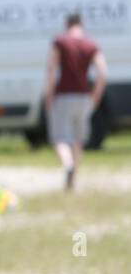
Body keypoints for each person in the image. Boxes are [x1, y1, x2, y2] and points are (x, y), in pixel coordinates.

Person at [44, 13, 107, 191]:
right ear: (81, 25)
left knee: (60, 138)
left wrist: (49, 94)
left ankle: (68, 165)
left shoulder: (61, 42)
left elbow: (52, 69)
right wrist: (95, 97)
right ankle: (74, 177)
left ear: (67, 25)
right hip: (84, 97)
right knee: (78, 139)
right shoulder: (91, 44)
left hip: (64, 95)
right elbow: (102, 72)